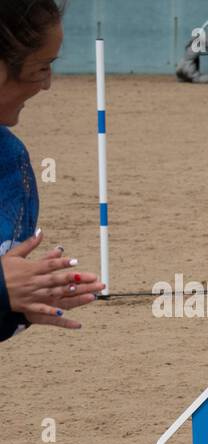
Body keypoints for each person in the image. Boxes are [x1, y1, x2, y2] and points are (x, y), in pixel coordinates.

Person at [1, 0, 104, 343]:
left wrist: (17, 304)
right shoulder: (9, 162)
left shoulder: (10, 162)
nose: (46, 85)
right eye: (42, 68)